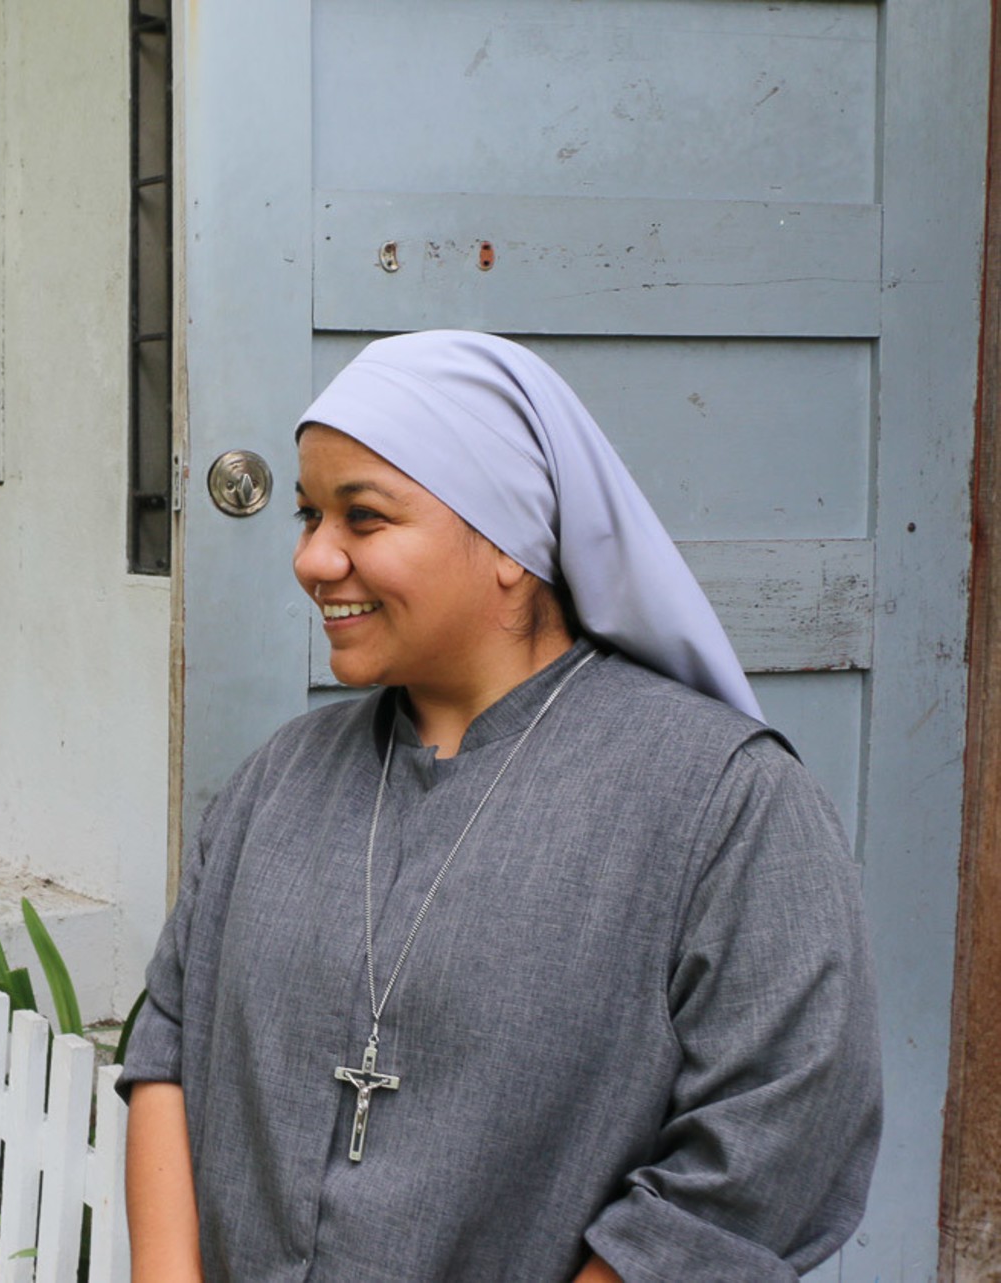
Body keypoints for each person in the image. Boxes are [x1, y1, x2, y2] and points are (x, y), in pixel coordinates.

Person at [121, 331, 880, 1282]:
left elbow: (773, 1143)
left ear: (510, 545)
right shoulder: (280, 778)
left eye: (364, 518)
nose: (313, 558)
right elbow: (169, 1044)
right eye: (311, 515)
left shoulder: (724, 798)